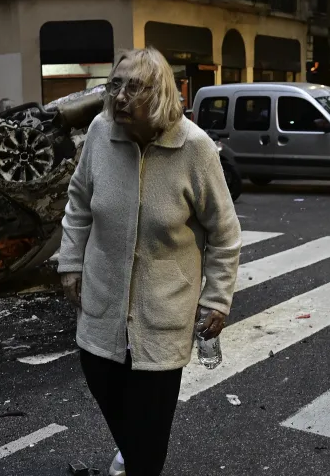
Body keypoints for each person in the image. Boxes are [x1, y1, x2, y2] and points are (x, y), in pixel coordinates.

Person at [58, 47, 241, 476]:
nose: (119, 97)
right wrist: (69, 262)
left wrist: (216, 299)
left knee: (150, 426)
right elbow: (79, 203)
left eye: (132, 87)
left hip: (163, 311)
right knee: (104, 383)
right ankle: (135, 450)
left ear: (158, 94)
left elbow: (225, 232)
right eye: (114, 85)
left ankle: (140, 460)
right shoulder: (101, 134)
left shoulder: (194, 149)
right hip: (102, 303)